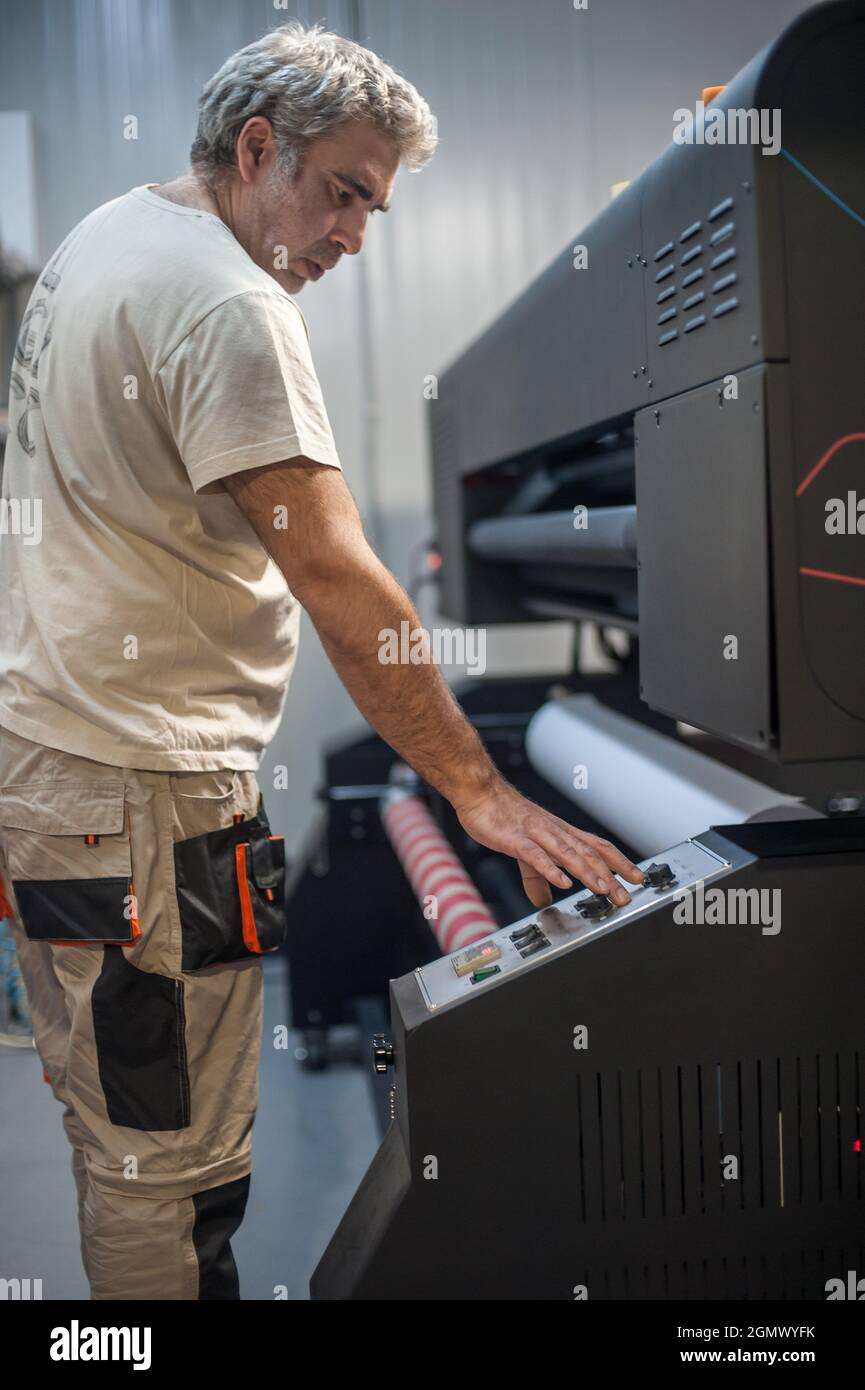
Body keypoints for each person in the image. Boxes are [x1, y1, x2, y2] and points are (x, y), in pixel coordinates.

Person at [0, 20, 643, 1300]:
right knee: (168, 1172)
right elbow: (341, 582)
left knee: (119, 1136)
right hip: (143, 804)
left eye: (376, 205)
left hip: (58, 775)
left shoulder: (106, 237)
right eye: (345, 191)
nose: (356, 234)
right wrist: (481, 790)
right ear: (257, 151)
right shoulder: (231, 306)